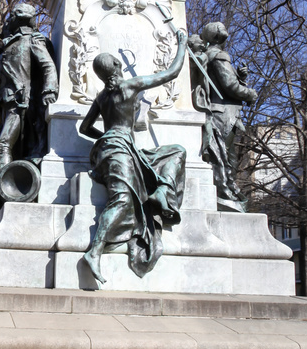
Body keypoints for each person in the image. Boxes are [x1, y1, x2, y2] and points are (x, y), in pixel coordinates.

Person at [78, 29, 188, 283]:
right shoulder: (131, 85)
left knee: (176, 152)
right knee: (121, 199)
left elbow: (84, 129)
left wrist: (106, 136)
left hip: (117, 149)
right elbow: (171, 73)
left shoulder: (102, 97)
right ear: (117, 65)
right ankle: (94, 252)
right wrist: (181, 44)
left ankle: (161, 190)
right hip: (119, 150)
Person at [0, 4, 58, 211]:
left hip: (21, 104)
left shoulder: (31, 41)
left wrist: (49, 90)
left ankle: (2, 197)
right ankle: (0, 194)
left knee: (1, 147)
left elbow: (48, 66)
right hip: (5, 106)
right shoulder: (5, 50)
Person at [199, 22, 258, 211]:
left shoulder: (208, 56)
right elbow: (229, 86)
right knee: (226, 158)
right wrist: (250, 93)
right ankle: (224, 195)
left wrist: (240, 77)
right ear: (220, 37)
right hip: (223, 114)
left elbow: (227, 82)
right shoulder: (219, 56)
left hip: (218, 112)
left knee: (224, 157)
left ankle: (226, 193)